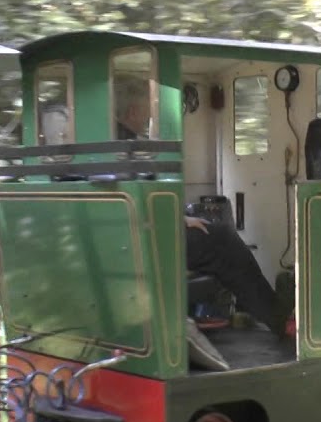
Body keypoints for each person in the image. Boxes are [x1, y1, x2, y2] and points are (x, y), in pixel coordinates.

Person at [113, 76, 285, 336]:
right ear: (134, 112)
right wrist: (180, 219)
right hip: (145, 235)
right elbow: (143, 199)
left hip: (138, 230)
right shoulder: (129, 146)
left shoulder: (115, 141)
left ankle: (257, 309)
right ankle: (276, 317)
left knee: (214, 233)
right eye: (147, 112)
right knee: (223, 240)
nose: (148, 118)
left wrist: (181, 217)